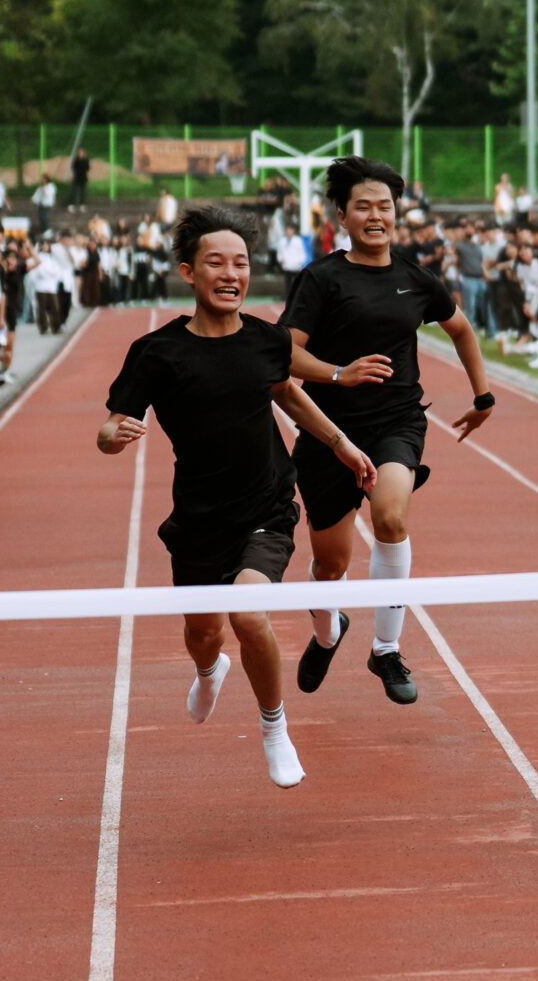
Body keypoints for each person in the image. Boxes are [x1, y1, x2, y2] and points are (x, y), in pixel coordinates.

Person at [98, 207, 376, 789]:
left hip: (266, 508)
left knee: (250, 615)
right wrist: (113, 437)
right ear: (188, 273)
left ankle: (274, 729)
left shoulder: (266, 339)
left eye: (241, 263)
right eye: (216, 263)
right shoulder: (158, 352)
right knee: (204, 632)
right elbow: (111, 425)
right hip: (198, 519)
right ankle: (208, 670)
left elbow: (287, 395)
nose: (232, 274)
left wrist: (342, 445)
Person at [281, 156, 496, 706]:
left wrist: (483, 395)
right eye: (364, 207)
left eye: (385, 207)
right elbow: (283, 354)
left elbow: (462, 330)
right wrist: (338, 374)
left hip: (397, 420)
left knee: (391, 515)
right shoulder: (322, 279)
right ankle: (328, 631)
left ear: (397, 214)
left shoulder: (415, 279)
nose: (376, 216)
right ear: (343, 216)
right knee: (331, 562)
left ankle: (386, 648)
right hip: (329, 427)